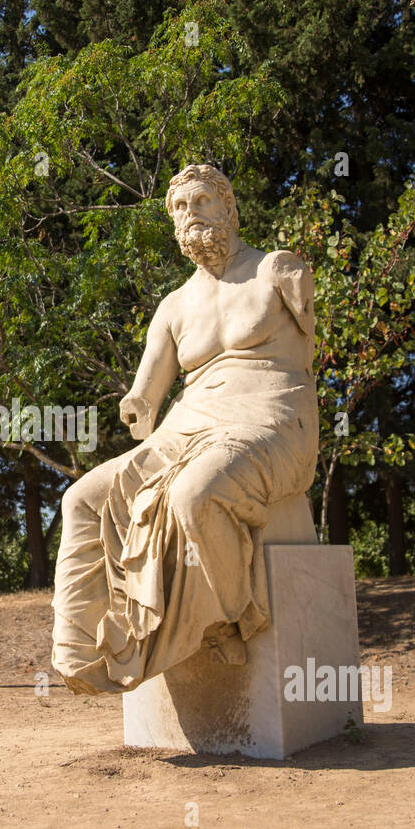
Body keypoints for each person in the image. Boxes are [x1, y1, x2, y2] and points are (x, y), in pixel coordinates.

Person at [51, 164, 317, 695]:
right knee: (82, 498)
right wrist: (136, 406)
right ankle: (81, 650)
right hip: (186, 426)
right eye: (178, 208)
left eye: (200, 202)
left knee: (197, 493)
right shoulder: (173, 306)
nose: (189, 215)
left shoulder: (276, 270)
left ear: (229, 207)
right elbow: (145, 391)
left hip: (271, 418)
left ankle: (224, 620)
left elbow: (310, 356)